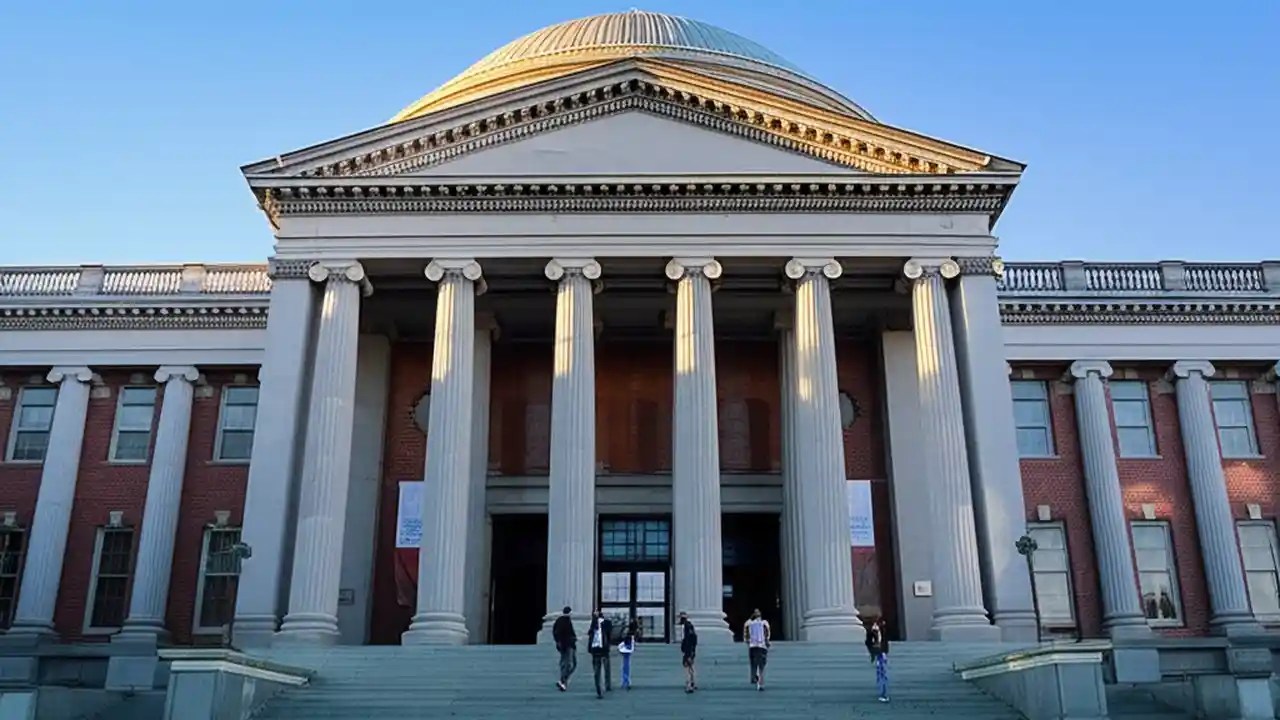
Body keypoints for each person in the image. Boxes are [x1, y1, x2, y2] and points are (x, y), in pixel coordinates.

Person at [587, 610, 614, 698]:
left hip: (595, 650)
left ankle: (599, 688)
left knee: (597, 671)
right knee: (606, 668)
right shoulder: (607, 623)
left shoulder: (593, 624)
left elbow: (590, 634)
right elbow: (610, 635)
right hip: (604, 650)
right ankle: (607, 684)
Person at [743, 608, 771, 690]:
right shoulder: (762, 623)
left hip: (755, 646)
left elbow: (767, 633)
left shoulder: (749, 623)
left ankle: (755, 678)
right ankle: (758, 681)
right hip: (759, 646)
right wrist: (767, 641)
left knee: (756, 663)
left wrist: (747, 640)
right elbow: (767, 633)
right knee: (759, 664)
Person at [865, 617, 890, 703]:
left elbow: (885, 642)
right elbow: (868, 642)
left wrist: (885, 652)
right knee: (880, 673)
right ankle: (882, 692)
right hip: (877, 653)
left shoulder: (883, 631)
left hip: (882, 653)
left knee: (883, 673)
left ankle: (884, 693)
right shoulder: (871, 633)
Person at [552, 606, 577, 692]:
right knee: (571, 664)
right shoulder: (566, 621)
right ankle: (563, 680)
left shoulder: (559, 620)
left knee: (564, 663)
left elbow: (555, 632)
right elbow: (567, 633)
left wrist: (558, 642)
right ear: (570, 612)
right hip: (568, 645)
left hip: (563, 645)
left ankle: (562, 680)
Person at [679, 611, 698, 693]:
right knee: (691, 667)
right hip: (690, 650)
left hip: (688, 650)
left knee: (687, 667)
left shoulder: (686, 627)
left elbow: (688, 640)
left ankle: (689, 684)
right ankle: (693, 682)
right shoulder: (690, 626)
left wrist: (687, 651)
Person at [618, 619, 638, 690]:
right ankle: (626, 681)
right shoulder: (634, 633)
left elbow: (623, 637)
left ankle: (625, 681)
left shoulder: (628, 632)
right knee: (626, 665)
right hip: (629, 648)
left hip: (626, 647)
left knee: (625, 666)